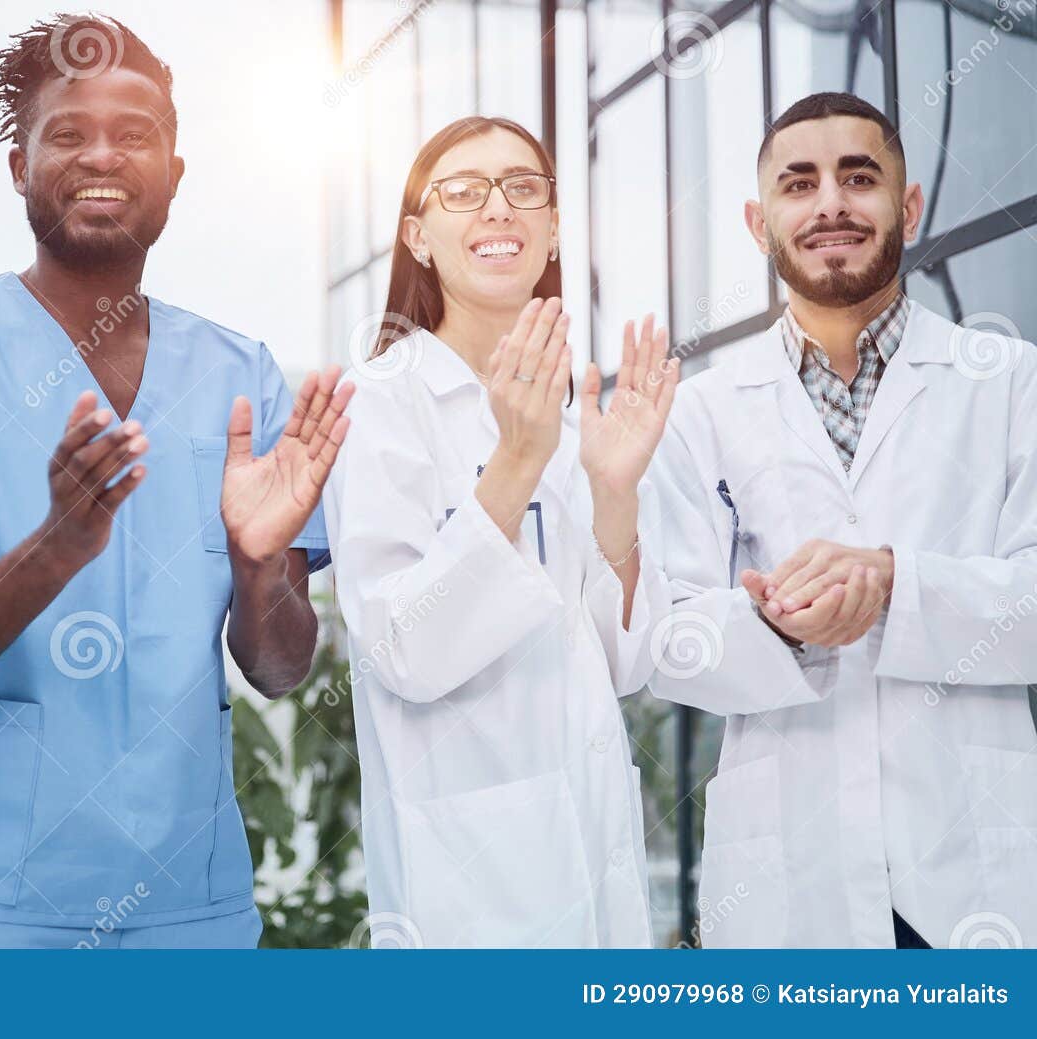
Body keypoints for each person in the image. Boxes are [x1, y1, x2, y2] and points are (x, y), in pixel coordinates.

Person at [0, 14, 351, 949]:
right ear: (18, 165)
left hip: (188, 912)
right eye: (67, 132)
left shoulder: (242, 373)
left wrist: (263, 566)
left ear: (175, 173)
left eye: (134, 132)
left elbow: (276, 666)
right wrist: (57, 547)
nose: (101, 152)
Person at [648, 92, 1037, 948]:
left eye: (858, 178)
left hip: (971, 864)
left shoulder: (1011, 382)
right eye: (799, 184)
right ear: (760, 222)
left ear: (909, 205)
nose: (829, 203)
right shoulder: (701, 411)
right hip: (790, 880)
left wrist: (897, 582)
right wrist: (780, 629)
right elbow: (666, 638)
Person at [323, 116, 679, 947]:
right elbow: (402, 649)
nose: (498, 210)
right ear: (419, 236)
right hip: (466, 892)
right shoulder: (379, 402)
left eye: (524, 189)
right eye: (462, 192)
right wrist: (516, 461)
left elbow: (626, 663)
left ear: (553, 228)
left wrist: (614, 494)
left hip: (596, 866)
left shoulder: (575, 409)